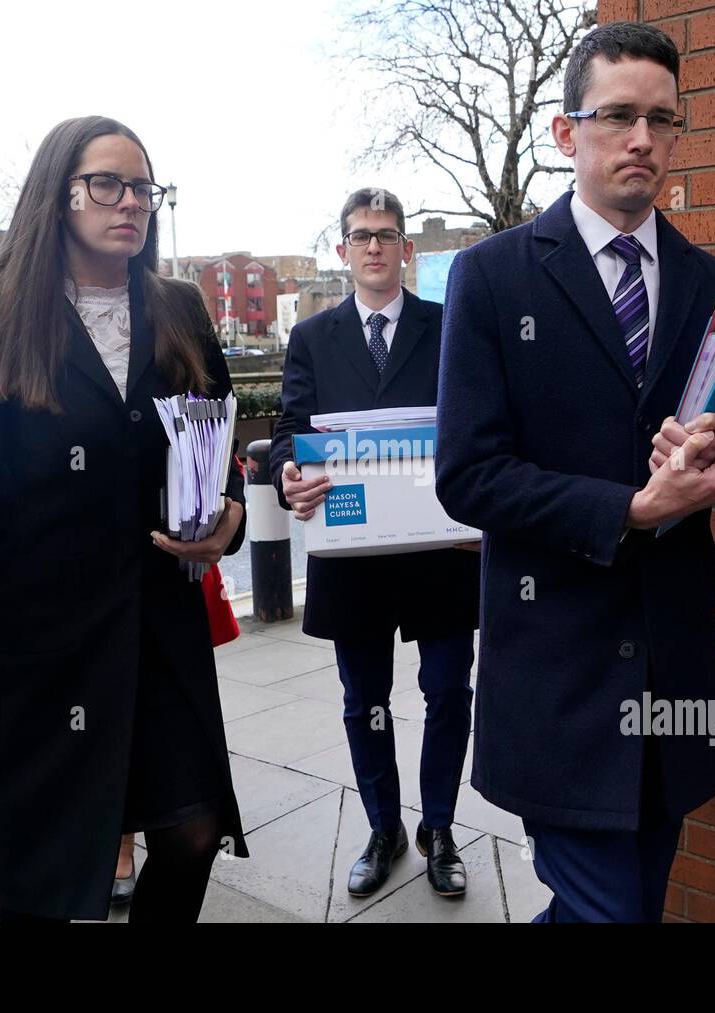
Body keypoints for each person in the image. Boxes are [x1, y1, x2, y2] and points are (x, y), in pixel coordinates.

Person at [435, 22, 715, 922]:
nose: (642, 138)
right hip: (557, 676)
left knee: (627, 901)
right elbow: (469, 475)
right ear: (567, 133)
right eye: (618, 115)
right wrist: (629, 508)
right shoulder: (491, 278)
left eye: (662, 119)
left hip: (672, 678)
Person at [0, 115, 249, 924]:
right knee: (44, 871)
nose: (130, 202)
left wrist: (229, 520)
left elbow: (217, 448)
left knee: (192, 829)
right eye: (106, 184)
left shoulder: (180, 307)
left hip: (159, 626)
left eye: (143, 187)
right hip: (38, 641)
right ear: (59, 193)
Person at [269, 188, 480, 898]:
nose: (375, 247)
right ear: (343, 250)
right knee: (366, 702)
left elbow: (478, 424)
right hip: (352, 556)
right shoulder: (312, 338)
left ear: (406, 249)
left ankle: (441, 827)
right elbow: (287, 431)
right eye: (361, 236)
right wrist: (287, 473)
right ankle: (384, 825)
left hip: (440, 553)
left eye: (388, 235)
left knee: (449, 692)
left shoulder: (449, 325)